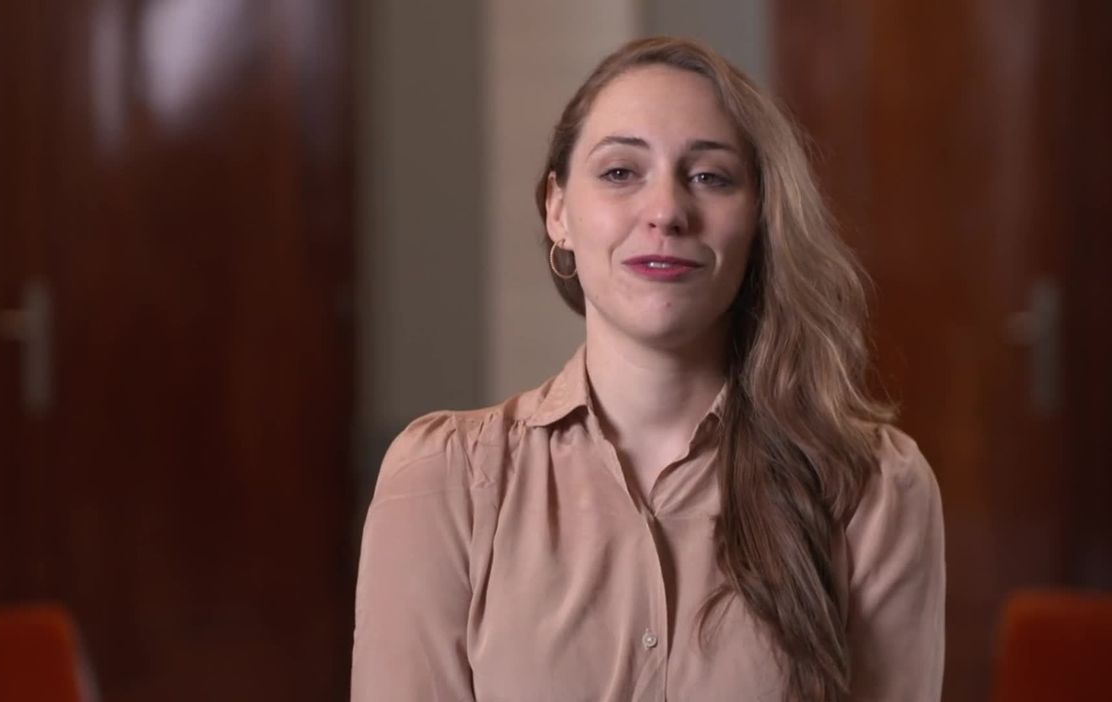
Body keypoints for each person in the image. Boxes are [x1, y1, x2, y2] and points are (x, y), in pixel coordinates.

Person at [351, 36, 944, 702]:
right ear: (558, 211)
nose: (666, 211)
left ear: (760, 220)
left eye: (711, 177)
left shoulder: (874, 487)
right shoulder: (445, 479)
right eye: (620, 172)